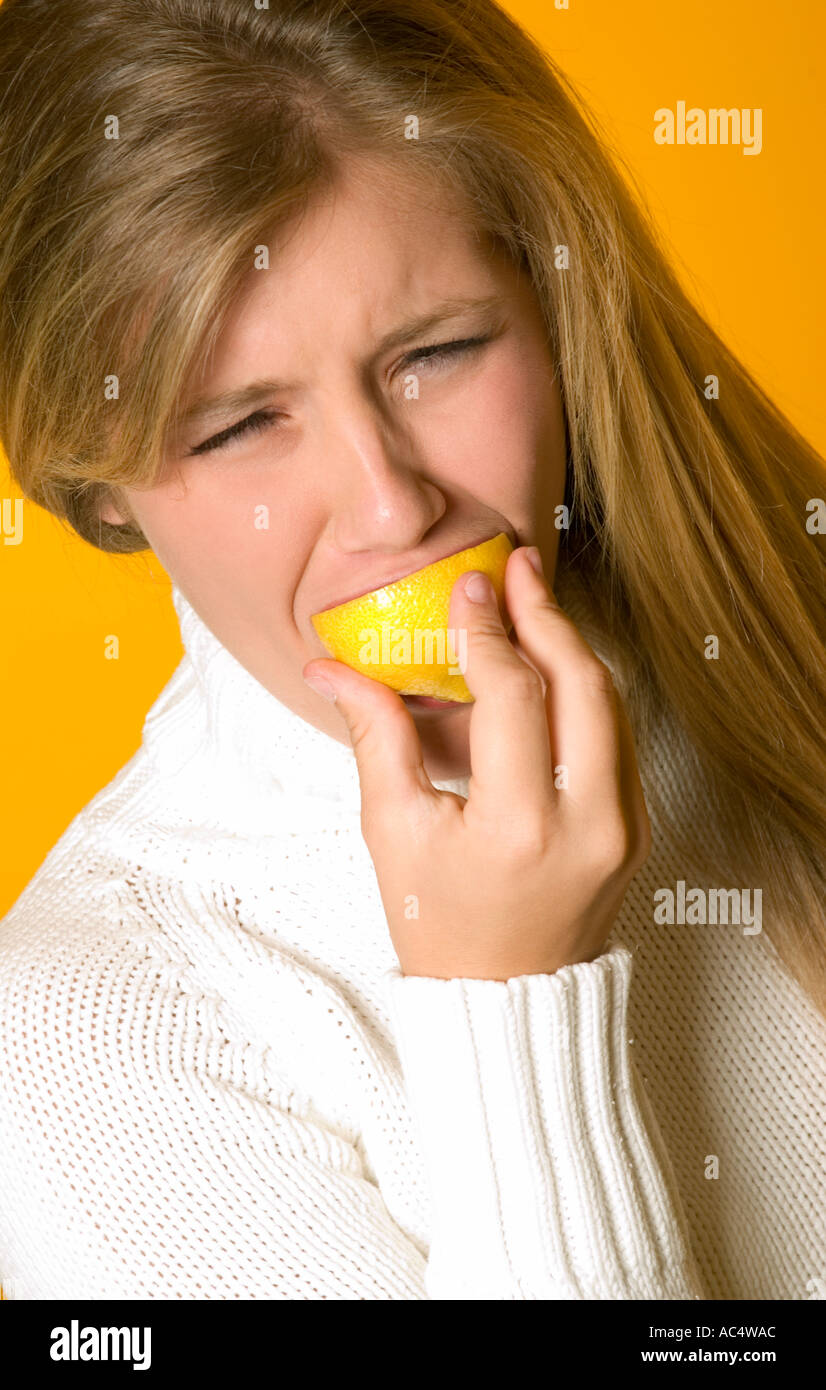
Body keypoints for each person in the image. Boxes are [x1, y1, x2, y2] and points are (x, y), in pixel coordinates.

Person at [0, 0, 824, 1301]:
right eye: (237, 427)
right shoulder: (95, 1024)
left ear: (555, 316)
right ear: (97, 487)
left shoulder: (789, 641)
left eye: (434, 354)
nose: (391, 509)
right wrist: (508, 1001)